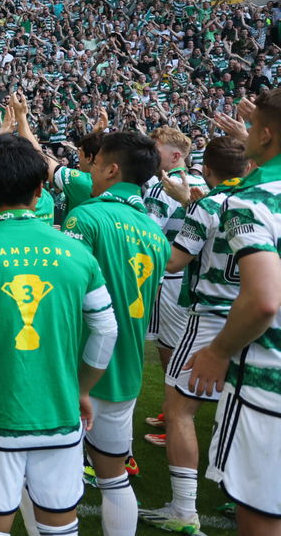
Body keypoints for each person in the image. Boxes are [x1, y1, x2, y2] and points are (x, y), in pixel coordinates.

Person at [0, 134, 119, 536]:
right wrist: (83, 390)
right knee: (58, 527)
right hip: (60, 414)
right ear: (39, 190)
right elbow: (106, 331)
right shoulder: (76, 252)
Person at [58, 131, 168, 535]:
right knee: (114, 477)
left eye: (94, 161)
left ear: (111, 168)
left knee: (51, 480)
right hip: (126, 373)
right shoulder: (155, 233)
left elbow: (67, 294)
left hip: (77, 371)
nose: (89, 168)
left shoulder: (85, 216)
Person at [138, 136, 247, 533]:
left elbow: (173, 260)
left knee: (181, 411)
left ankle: (184, 509)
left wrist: (138, 238)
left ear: (209, 170)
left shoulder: (208, 205)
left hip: (211, 318)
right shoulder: (269, 200)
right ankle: (248, 498)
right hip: (257, 320)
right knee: (244, 411)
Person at [188, 88, 281, 536]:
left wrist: (219, 350)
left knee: (262, 514)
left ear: (263, 134)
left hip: (268, 385)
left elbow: (264, 299)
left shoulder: (252, 199)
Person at [142, 126, 208, 445]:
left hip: (171, 278)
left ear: (176, 155)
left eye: (158, 151)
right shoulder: (198, 182)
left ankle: (177, 421)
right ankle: (171, 411)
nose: (153, 156)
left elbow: (148, 232)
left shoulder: (167, 185)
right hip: (183, 276)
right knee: (172, 346)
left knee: (174, 348)